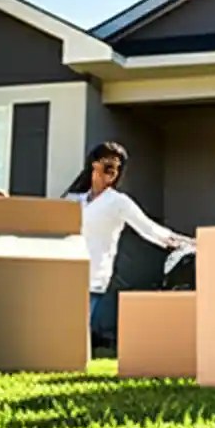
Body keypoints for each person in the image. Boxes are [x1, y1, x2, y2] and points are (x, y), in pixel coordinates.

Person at [62, 142, 193, 336]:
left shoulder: (118, 202)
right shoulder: (73, 200)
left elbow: (150, 229)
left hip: (94, 275)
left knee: (76, 330)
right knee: (61, 326)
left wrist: (188, 243)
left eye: (117, 166)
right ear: (94, 164)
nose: (112, 170)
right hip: (66, 273)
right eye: (108, 163)